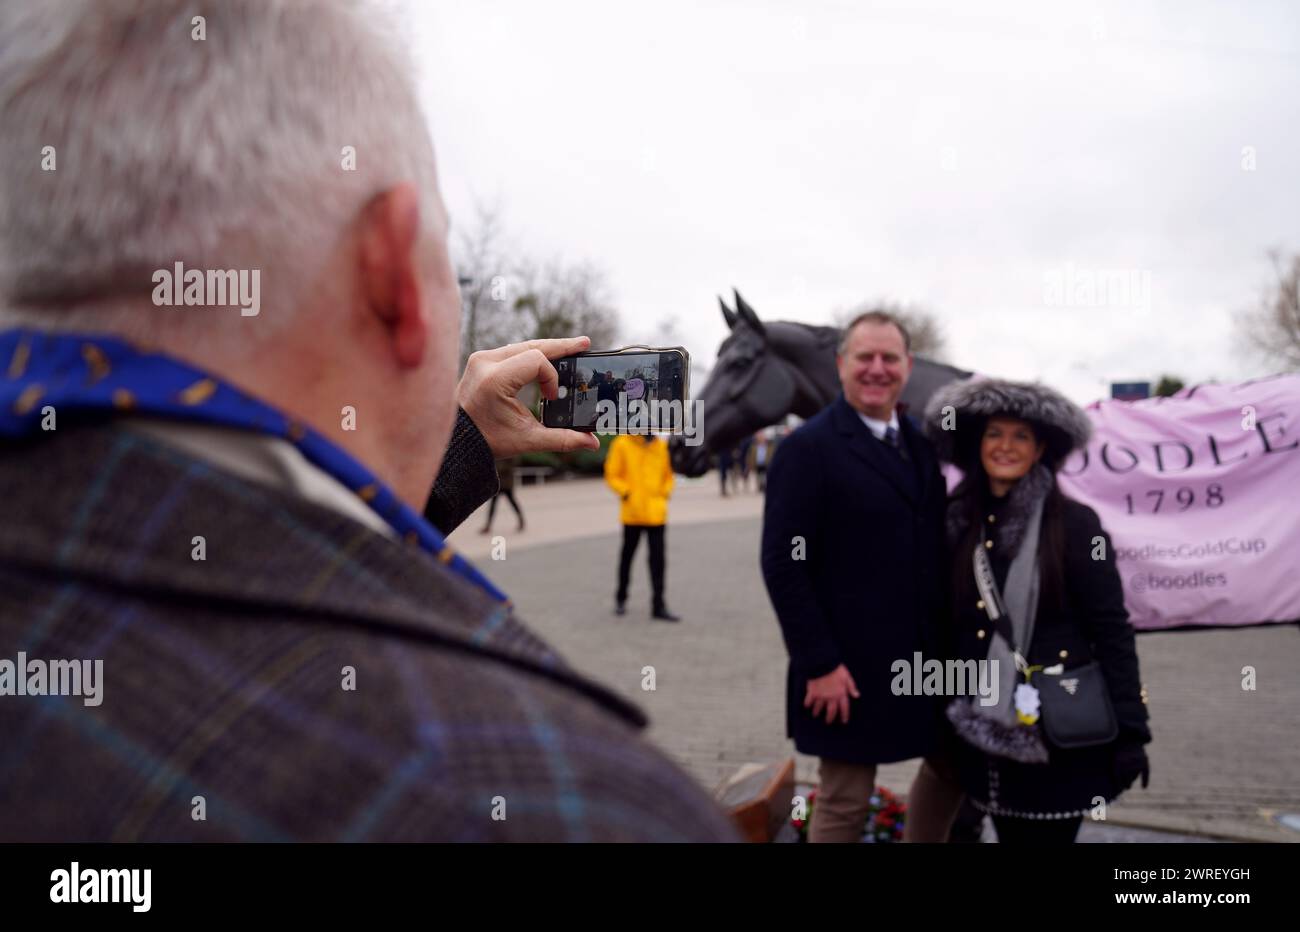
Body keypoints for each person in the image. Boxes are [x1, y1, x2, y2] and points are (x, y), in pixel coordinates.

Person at [0, 0, 736, 842]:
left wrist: (458, 448)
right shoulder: (563, 803)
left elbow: (259, 556)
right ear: (391, 268)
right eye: (446, 260)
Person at [919, 378, 1152, 843]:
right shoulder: (955, 522)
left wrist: (1132, 731)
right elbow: (942, 626)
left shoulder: (1077, 524)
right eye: (994, 434)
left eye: (1020, 435)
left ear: (1041, 447)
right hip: (975, 730)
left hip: (1056, 737)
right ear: (977, 444)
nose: (1005, 446)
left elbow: (1112, 630)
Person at [760, 312, 949, 842]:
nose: (877, 368)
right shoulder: (807, 449)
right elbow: (782, 562)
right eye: (864, 356)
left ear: (908, 367)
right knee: (843, 800)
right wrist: (818, 661)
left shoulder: (920, 444)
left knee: (955, 768)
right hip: (845, 666)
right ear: (841, 365)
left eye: (889, 358)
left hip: (925, 661)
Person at [604, 433, 680, 621]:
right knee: (627, 557)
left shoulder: (661, 446)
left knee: (658, 561)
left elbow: (669, 475)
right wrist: (626, 492)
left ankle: (659, 605)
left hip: (656, 514)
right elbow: (612, 474)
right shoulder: (622, 443)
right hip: (633, 513)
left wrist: (665, 493)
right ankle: (621, 597)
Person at [480, 457, 524, 534]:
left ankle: (521, 520)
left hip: (506, 483)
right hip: (498, 484)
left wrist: (495, 469)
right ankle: (488, 525)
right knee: (493, 504)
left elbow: (511, 465)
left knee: (512, 502)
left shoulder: (510, 454)